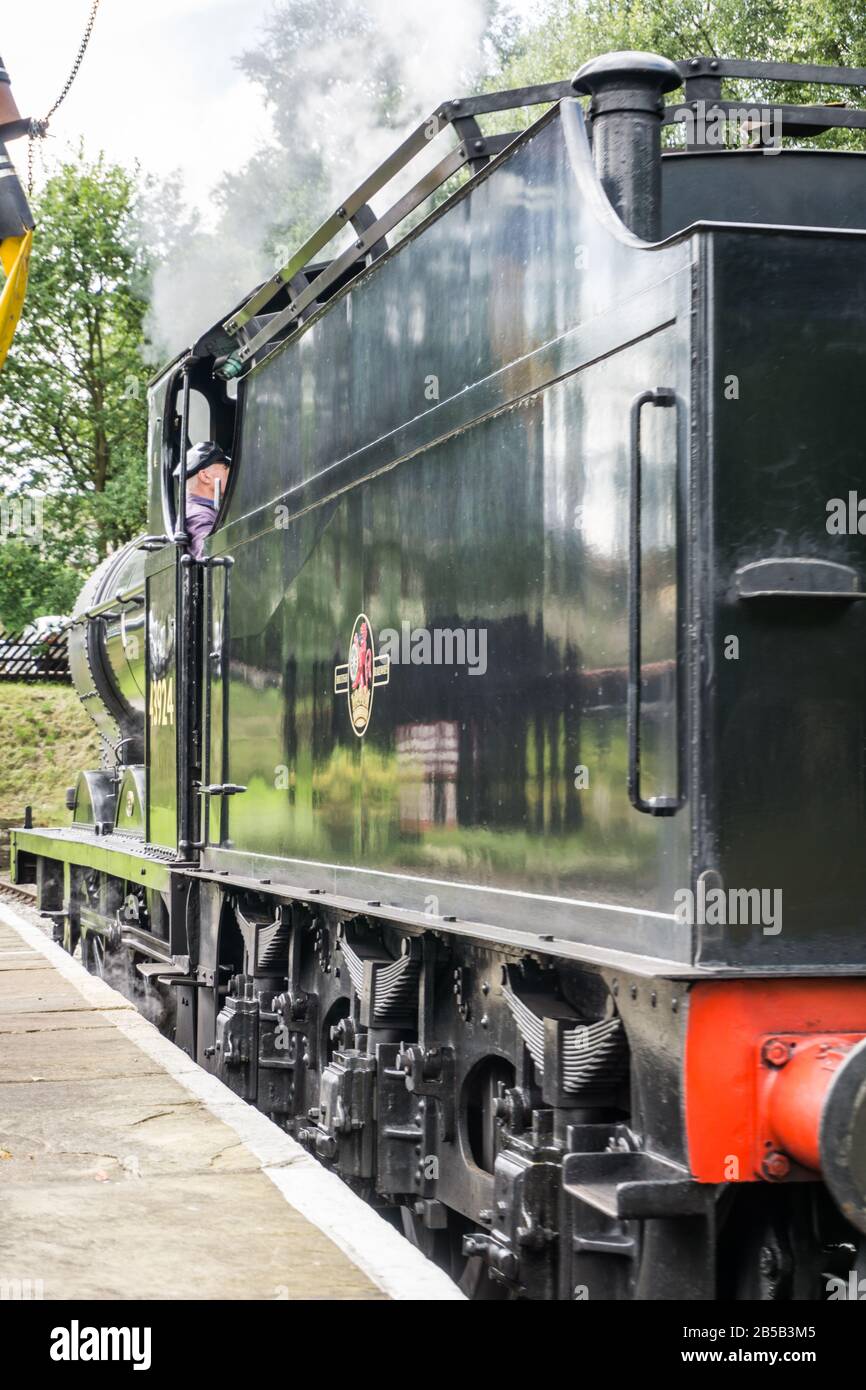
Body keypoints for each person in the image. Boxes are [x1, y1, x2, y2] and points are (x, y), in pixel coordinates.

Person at [175, 442, 231, 558]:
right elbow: (211, 555)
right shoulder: (199, 515)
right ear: (205, 476)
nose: (229, 472)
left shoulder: (201, 509)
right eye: (225, 468)